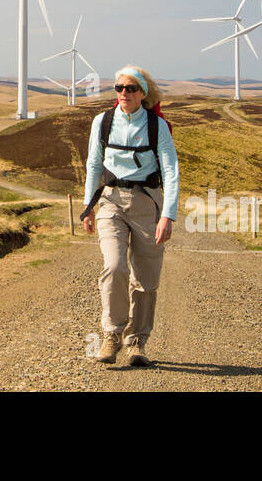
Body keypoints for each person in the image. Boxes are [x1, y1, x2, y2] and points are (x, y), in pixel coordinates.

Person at [80, 65, 179, 366]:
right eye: (119, 88)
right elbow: (94, 165)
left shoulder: (156, 126)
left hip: (147, 203)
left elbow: (171, 170)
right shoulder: (103, 121)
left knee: (146, 279)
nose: (124, 93)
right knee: (114, 266)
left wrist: (168, 216)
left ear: (142, 94)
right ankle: (111, 334)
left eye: (130, 88)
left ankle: (137, 343)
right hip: (111, 201)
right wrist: (88, 208)